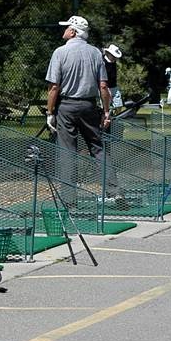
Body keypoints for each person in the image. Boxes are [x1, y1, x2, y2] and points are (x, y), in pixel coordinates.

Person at [44, 15, 120, 205]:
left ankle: (69, 200)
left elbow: (54, 87)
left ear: (74, 31)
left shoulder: (60, 53)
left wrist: (50, 112)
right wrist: (106, 112)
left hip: (67, 107)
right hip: (89, 106)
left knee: (67, 152)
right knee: (98, 148)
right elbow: (103, 86)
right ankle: (115, 191)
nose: (64, 30)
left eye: (67, 27)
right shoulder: (96, 53)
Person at [102, 44, 123, 110]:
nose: (115, 58)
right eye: (113, 56)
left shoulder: (113, 62)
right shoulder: (102, 62)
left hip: (114, 87)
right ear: (108, 53)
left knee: (119, 105)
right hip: (105, 87)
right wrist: (107, 90)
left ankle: (116, 119)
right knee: (106, 107)